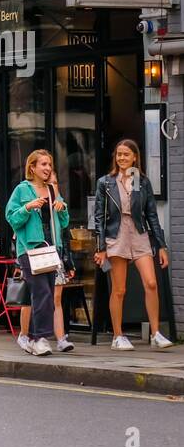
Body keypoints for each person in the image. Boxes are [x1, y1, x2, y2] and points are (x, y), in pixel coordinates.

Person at [93, 138, 172, 350]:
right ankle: (117, 336)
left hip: (138, 233)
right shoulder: (106, 182)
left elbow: (151, 214)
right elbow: (99, 217)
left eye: (126, 154)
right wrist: (101, 248)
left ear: (135, 157)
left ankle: (156, 333)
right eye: (119, 154)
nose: (121, 158)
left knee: (151, 283)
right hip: (116, 234)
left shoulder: (140, 181)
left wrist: (161, 246)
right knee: (119, 289)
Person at [5, 149, 69, 358]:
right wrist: (28, 207)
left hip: (51, 247)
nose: (48, 168)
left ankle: (33, 339)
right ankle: (40, 338)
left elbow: (64, 222)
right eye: (43, 164)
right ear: (32, 167)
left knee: (46, 294)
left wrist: (62, 207)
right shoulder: (22, 190)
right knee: (42, 292)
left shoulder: (52, 189)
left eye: (49, 164)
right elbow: (11, 218)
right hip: (30, 248)